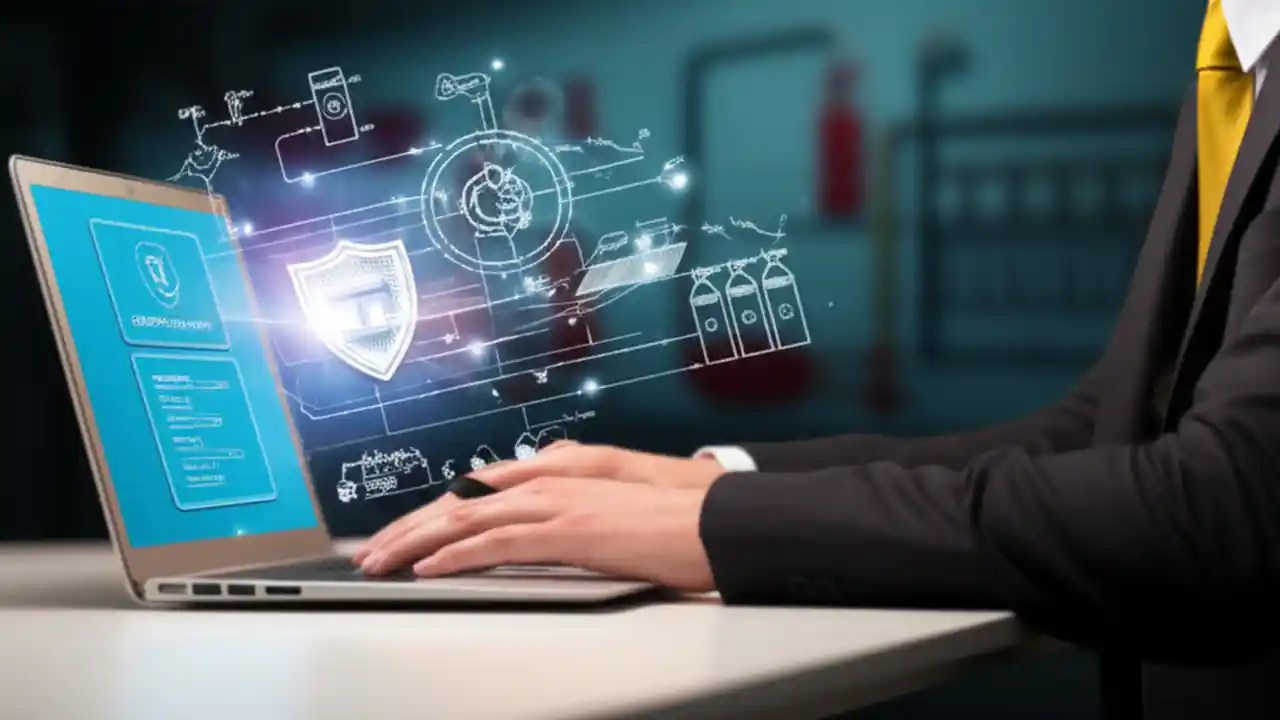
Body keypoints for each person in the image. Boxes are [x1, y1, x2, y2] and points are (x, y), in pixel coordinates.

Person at [355, 2, 1280, 717]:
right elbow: (1114, 427)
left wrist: (724, 525)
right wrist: (703, 483)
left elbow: (1230, 508)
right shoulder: (1241, 49)